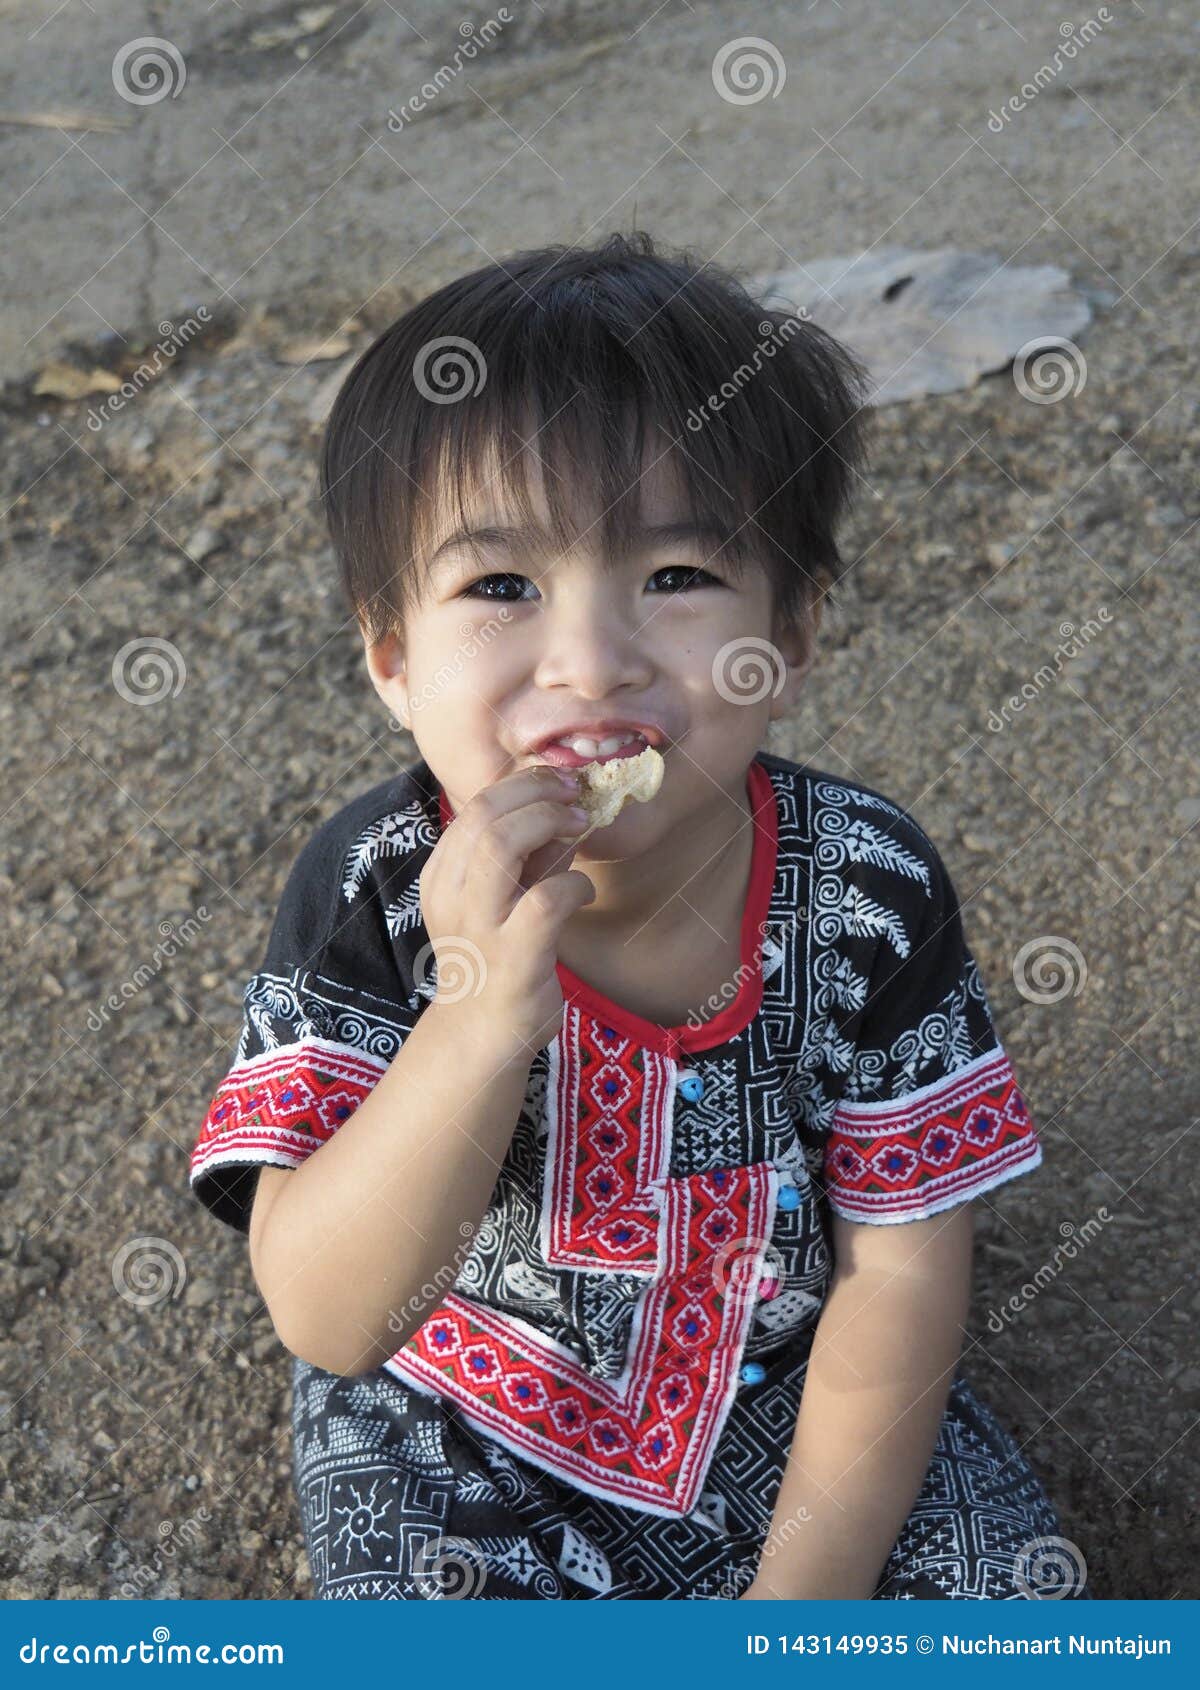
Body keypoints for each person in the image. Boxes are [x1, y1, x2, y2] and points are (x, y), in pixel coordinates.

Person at [189, 231, 1093, 1602]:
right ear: (392, 661)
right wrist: (481, 1012)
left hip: (791, 1389)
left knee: (1027, 1599)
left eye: (676, 578)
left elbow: (899, 1274)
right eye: (500, 588)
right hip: (457, 1426)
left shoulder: (866, 888)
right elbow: (328, 1314)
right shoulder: (372, 885)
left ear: (787, 639)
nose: (592, 660)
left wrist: (798, 1611)